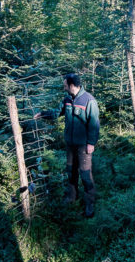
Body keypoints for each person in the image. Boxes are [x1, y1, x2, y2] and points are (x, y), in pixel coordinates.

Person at [34, 73, 100, 218]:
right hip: (70, 144)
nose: (64, 87)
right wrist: (43, 114)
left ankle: (89, 204)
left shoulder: (89, 100)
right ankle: (72, 197)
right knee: (71, 171)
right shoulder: (67, 99)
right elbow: (56, 113)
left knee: (85, 174)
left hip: (83, 145)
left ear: (71, 85)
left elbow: (94, 124)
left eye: (65, 85)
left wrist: (91, 143)